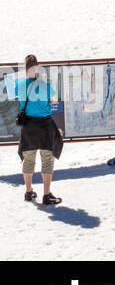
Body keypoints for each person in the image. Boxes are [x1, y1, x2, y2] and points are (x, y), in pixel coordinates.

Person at [16, 56, 61, 205]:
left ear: (25, 68)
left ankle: (29, 192)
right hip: (45, 126)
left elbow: (17, 99)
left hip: (28, 126)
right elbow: (55, 99)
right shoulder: (45, 84)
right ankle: (46, 195)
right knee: (47, 159)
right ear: (37, 67)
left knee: (29, 160)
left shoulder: (19, 84)